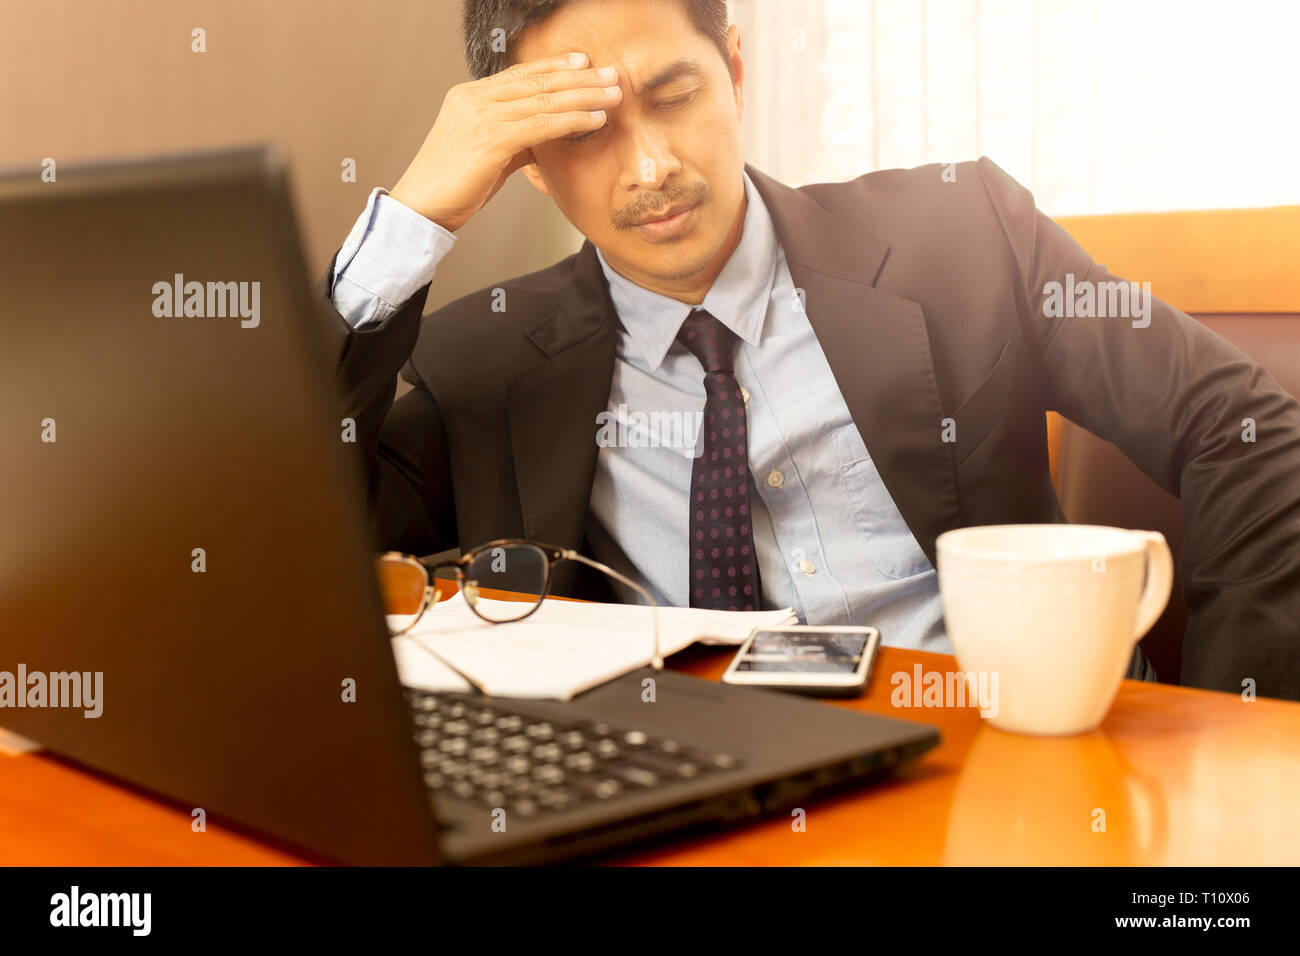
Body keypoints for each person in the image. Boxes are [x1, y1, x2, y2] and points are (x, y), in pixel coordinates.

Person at [313, 0, 1300, 699]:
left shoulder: (964, 236)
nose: (651, 167)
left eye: (674, 96)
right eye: (584, 133)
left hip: (1006, 754)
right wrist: (411, 221)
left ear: (736, 71)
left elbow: (1243, 428)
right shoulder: (480, 360)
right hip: (692, 791)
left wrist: (1233, 726)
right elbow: (299, 555)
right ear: (525, 161)